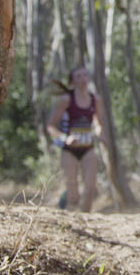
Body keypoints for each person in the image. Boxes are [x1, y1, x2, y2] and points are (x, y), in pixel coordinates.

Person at [45, 66, 108, 213]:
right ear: (72, 81)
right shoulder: (66, 100)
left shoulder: (95, 99)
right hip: (69, 150)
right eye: (78, 76)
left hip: (88, 147)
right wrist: (65, 138)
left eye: (85, 75)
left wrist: (100, 134)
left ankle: (86, 218)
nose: (82, 79)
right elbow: (50, 126)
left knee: (90, 187)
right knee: (73, 190)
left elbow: (98, 122)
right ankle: (68, 212)